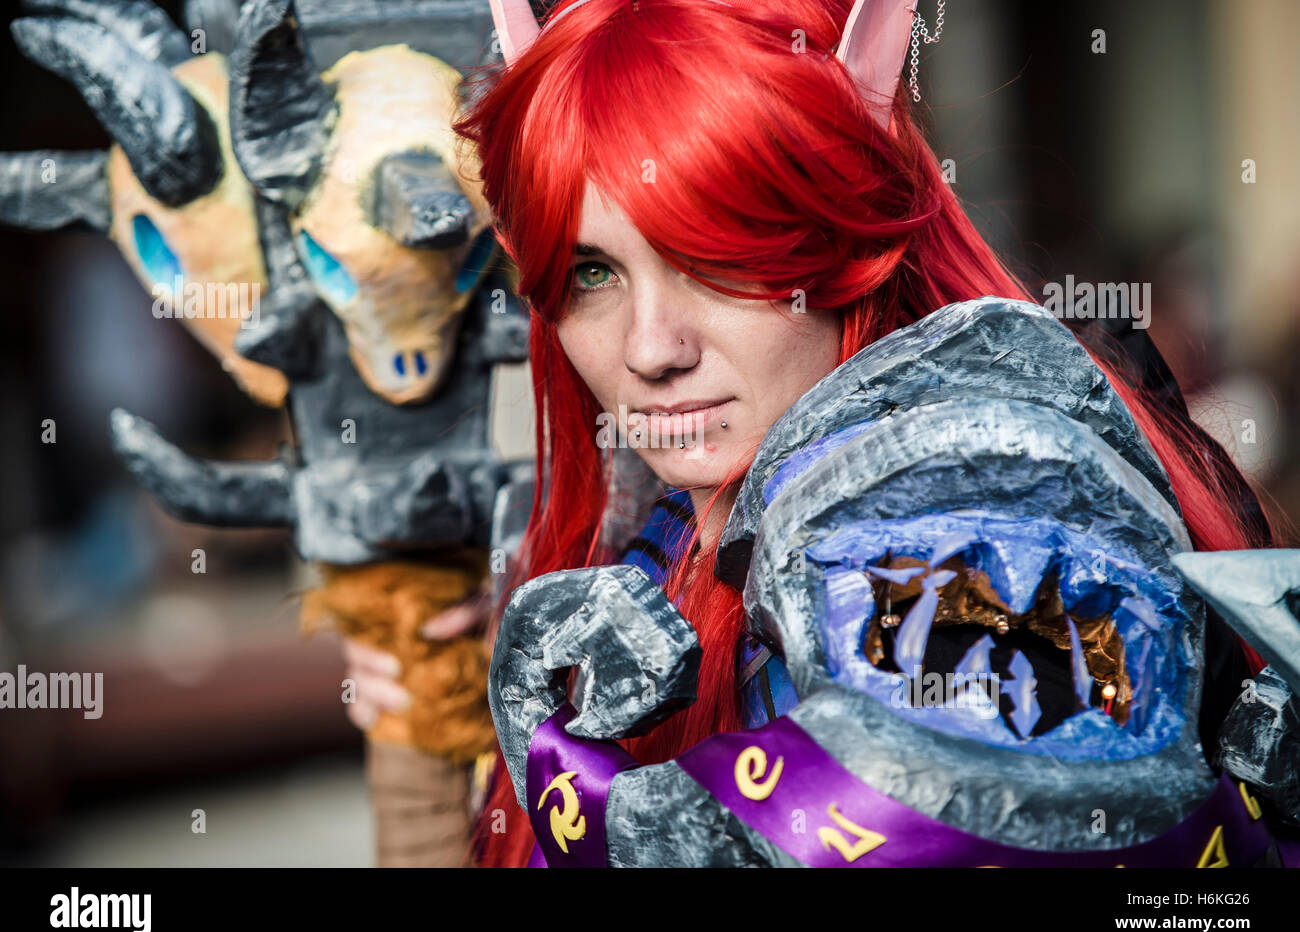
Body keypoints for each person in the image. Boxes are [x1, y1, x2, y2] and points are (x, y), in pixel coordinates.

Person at [349, 0, 1283, 866]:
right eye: (593, 271)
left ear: (848, 244)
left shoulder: (987, 536)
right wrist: (478, 728)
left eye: (716, 257)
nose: (651, 348)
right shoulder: (666, 539)